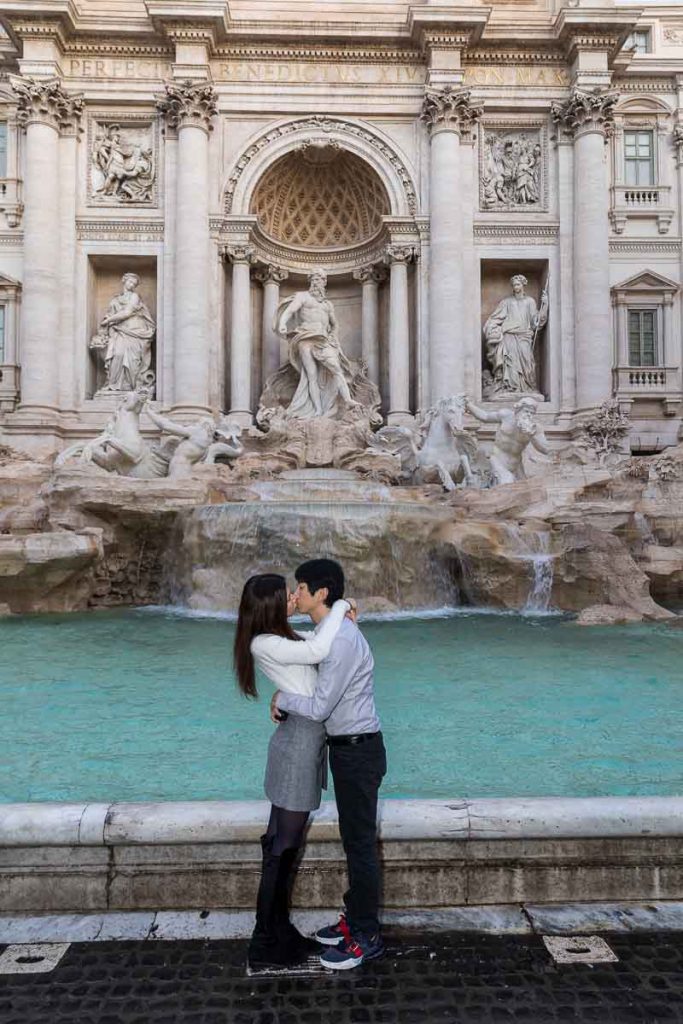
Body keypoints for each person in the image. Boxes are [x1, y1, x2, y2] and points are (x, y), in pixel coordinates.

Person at [233, 573, 353, 971]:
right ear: (269, 605)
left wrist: (281, 696)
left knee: (281, 844)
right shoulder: (265, 642)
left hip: (300, 741)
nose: (293, 598)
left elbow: (313, 648)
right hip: (298, 746)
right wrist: (340, 605)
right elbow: (319, 649)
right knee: (282, 848)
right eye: (286, 595)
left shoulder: (279, 638)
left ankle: (277, 931)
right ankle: (264, 941)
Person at [271, 559, 387, 971]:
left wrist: (283, 699)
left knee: (360, 844)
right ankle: (355, 919)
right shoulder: (329, 632)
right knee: (354, 840)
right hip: (349, 749)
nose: (295, 594)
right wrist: (280, 618)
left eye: (300, 588)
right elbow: (294, 648)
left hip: (358, 751)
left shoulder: (339, 640)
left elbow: (320, 707)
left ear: (321, 593)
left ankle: (366, 936)